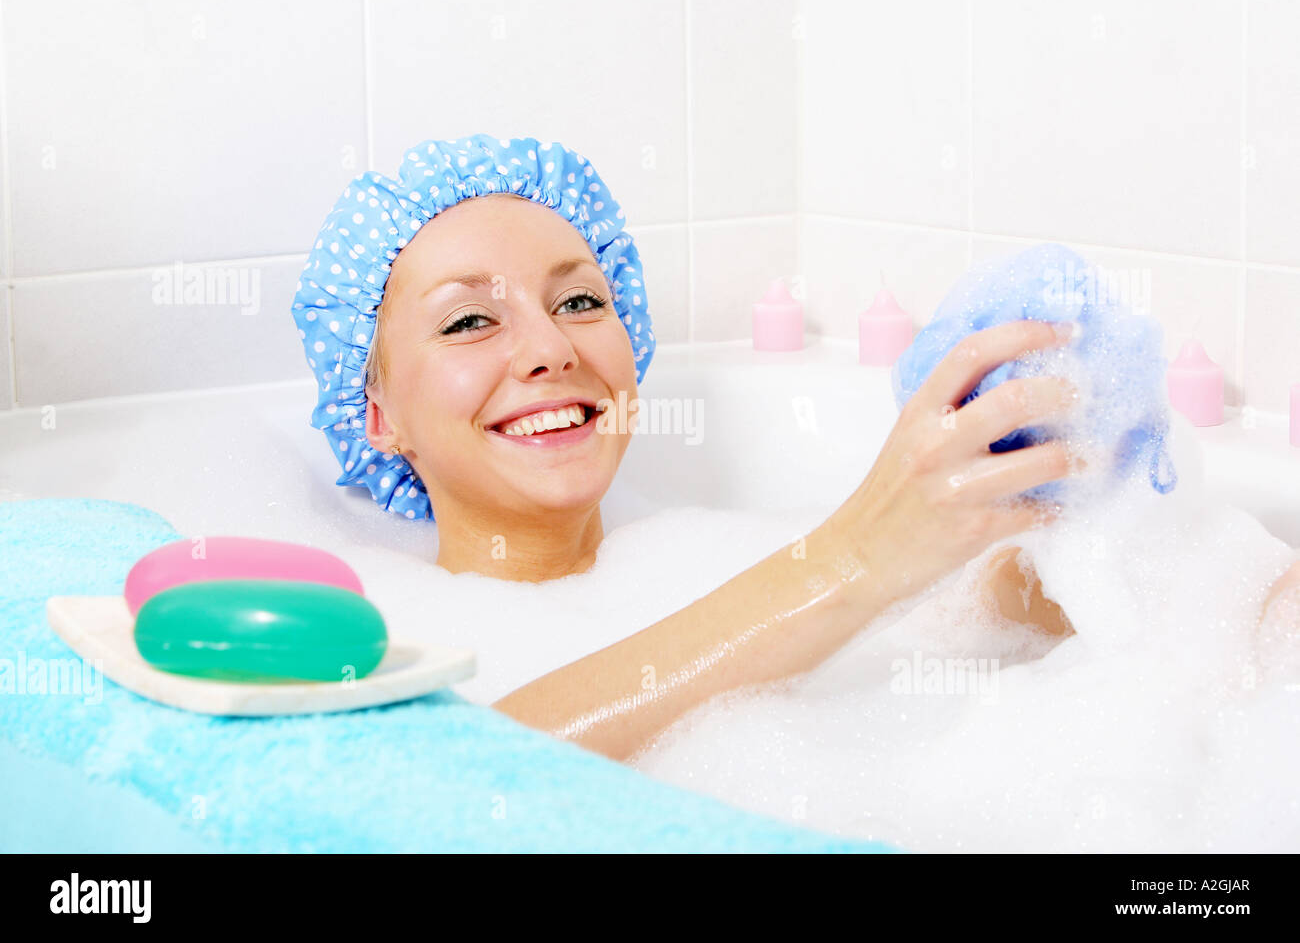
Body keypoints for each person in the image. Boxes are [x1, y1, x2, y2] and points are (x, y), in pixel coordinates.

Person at [294, 136, 1300, 764]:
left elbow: (1073, 610)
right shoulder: (366, 646)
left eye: (581, 301)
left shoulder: (733, 547)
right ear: (376, 414)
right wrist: (853, 561)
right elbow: (455, 787)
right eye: (470, 322)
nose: (553, 347)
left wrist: (1142, 551)